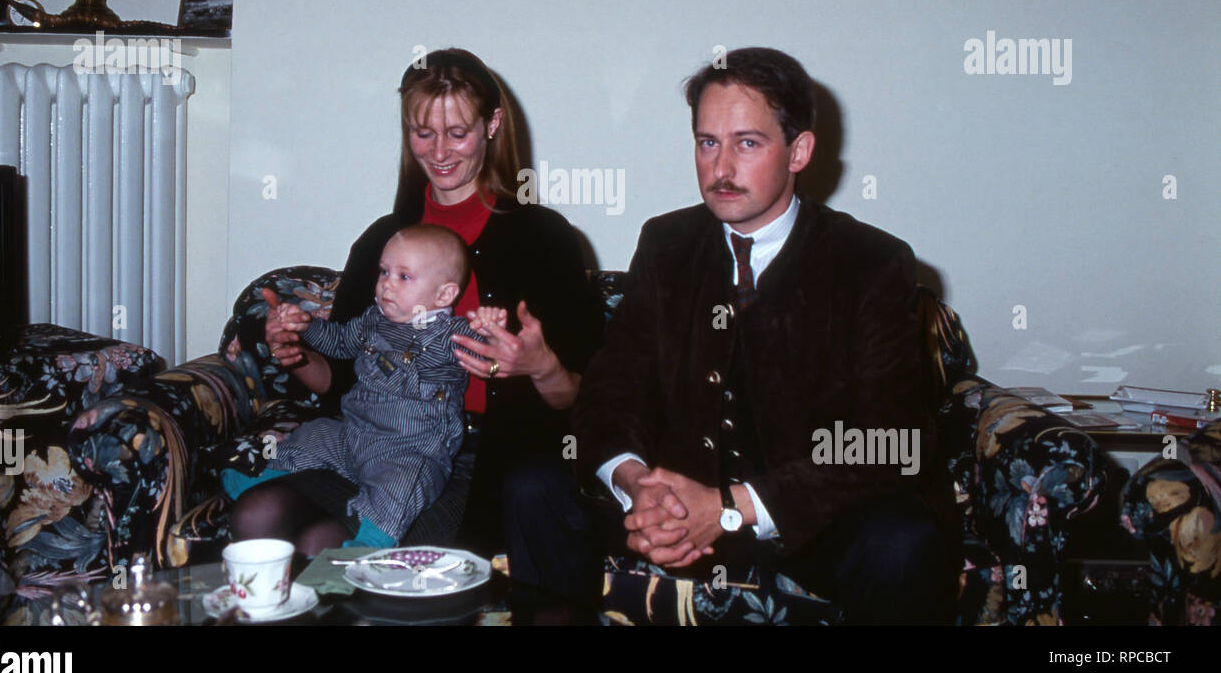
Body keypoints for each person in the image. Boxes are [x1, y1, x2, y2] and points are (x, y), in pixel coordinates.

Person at [522, 47, 956, 623]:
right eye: (707, 142)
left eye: (747, 143)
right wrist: (636, 485)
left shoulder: (871, 262)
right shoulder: (667, 244)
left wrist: (731, 508)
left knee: (900, 542)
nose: (721, 167)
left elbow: (892, 438)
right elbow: (611, 388)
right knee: (534, 486)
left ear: (798, 150)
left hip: (809, 517)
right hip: (676, 500)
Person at [251, 48, 603, 558]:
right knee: (258, 512)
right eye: (423, 132)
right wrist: (299, 351)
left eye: (457, 132)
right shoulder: (383, 241)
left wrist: (541, 366)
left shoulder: (544, 239)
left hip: (476, 457)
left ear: (492, 124)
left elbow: (589, 398)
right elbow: (349, 377)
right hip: (371, 445)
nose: (440, 151)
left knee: (328, 545)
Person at [230, 224, 491, 552]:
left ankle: (372, 539)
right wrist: (308, 326)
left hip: (409, 447)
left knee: (403, 486)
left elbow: (485, 355)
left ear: (444, 295)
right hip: (354, 433)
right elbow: (338, 343)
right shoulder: (373, 319)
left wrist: (488, 331)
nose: (386, 285)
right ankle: (264, 475)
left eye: (403, 277)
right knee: (311, 436)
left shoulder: (447, 335)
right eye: (384, 272)